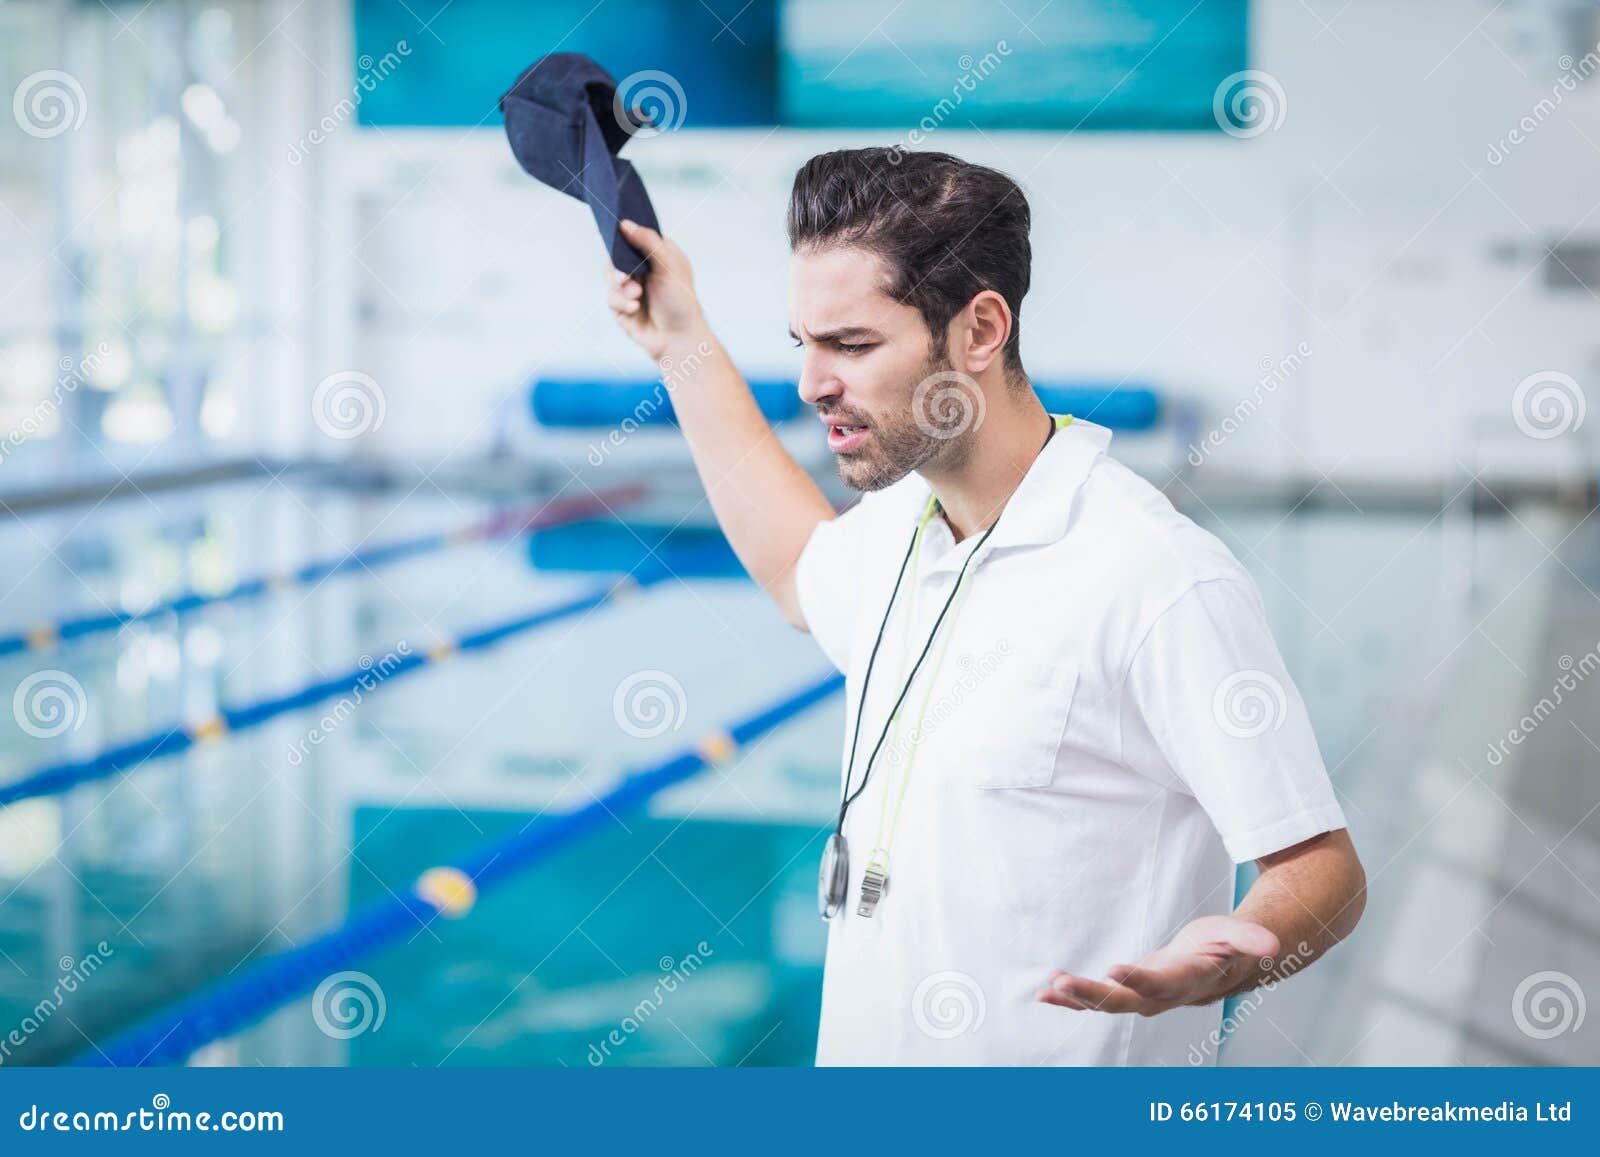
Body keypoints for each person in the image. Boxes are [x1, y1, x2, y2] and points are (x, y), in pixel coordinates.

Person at [604, 146, 1366, 1066]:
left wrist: (1235, 959)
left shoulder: (1155, 579)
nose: (812, 385)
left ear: (978, 331)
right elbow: (793, 566)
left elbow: (1321, 867)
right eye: (803, 345)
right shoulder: (900, 530)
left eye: (852, 345)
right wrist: (681, 338)